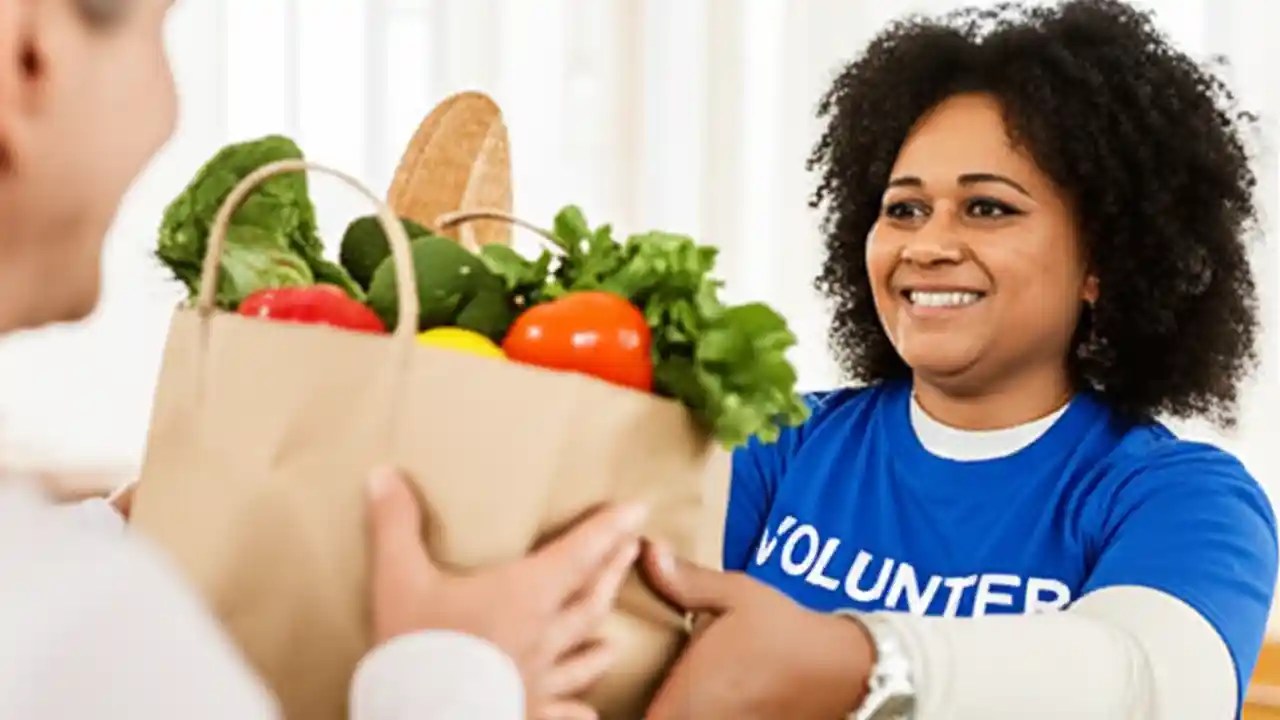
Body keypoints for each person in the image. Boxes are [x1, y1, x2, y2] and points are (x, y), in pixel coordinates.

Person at [638, 1, 1278, 718]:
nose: (927, 245)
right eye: (904, 209)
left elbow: (1153, 687)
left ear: (1102, 261)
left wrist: (856, 663)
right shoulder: (779, 439)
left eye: (987, 209)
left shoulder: (1181, 499)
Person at [0, 1, 640, 719]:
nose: (171, 109)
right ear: (34, 56)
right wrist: (456, 678)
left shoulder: (59, 593)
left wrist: (122, 523)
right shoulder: (89, 631)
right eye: (160, 28)